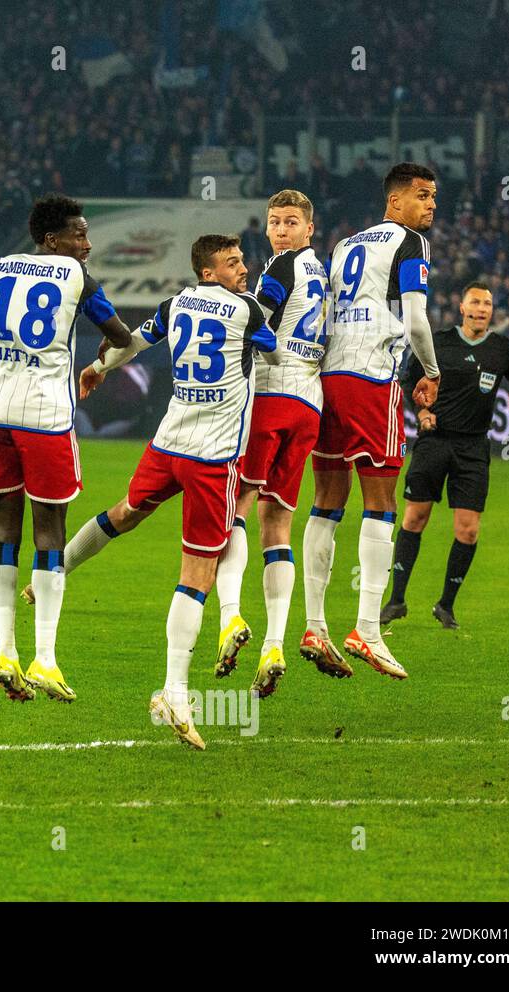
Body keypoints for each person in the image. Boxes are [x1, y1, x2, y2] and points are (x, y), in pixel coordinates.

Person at [58, 234, 280, 749]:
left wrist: (96, 368)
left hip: (166, 443)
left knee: (128, 511)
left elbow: (133, 341)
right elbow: (276, 348)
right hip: (212, 459)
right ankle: (174, 692)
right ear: (208, 272)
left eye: (243, 260)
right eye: (232, 263)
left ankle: (56, 569)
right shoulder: (247, 311)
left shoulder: (175, 303)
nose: (243, 269)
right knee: (197, 571)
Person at [0, 194, 134, 703]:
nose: (87, 244)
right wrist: (104, 356)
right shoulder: (76, 278)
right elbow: (120, 336)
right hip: (46, 419)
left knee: (4, 526)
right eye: (79, 235)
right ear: (52, 240)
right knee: (49, 530)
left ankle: (4, 650)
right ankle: (46, 659)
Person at [300, 162, 442, 681]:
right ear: (396, 201)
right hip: (371, 377)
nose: (430, 206)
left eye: (433, 198)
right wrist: (430, 371)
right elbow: (415, 316)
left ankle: (315, 624)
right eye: (423, 196)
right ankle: (367, 629)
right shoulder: (411, 243)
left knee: (326, 501)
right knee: (381, 501)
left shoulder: (344, 246)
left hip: (328, 375)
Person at [211, 189, 327, 698]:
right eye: (274, 222)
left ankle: (231, 616)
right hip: (311, 403)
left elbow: (257, 319)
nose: (280, 230)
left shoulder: (280, 269)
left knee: (234, 505)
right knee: (278, 522)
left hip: (272, 398)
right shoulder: (321, 272)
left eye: (290, 222)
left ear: (309, 228)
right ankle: (275, 643)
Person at [381, 282, 509, 629]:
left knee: (468, 530)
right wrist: (420, 413)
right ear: (462, 308)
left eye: (487, 304)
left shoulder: (502, 349)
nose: (481, 309)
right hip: (435, 442)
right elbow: (407, 381)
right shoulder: (439, 342)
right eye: (475, 303)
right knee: (414, 519)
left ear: (492, 311)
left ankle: (446, 606)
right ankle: (397, 600)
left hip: (474, 448)